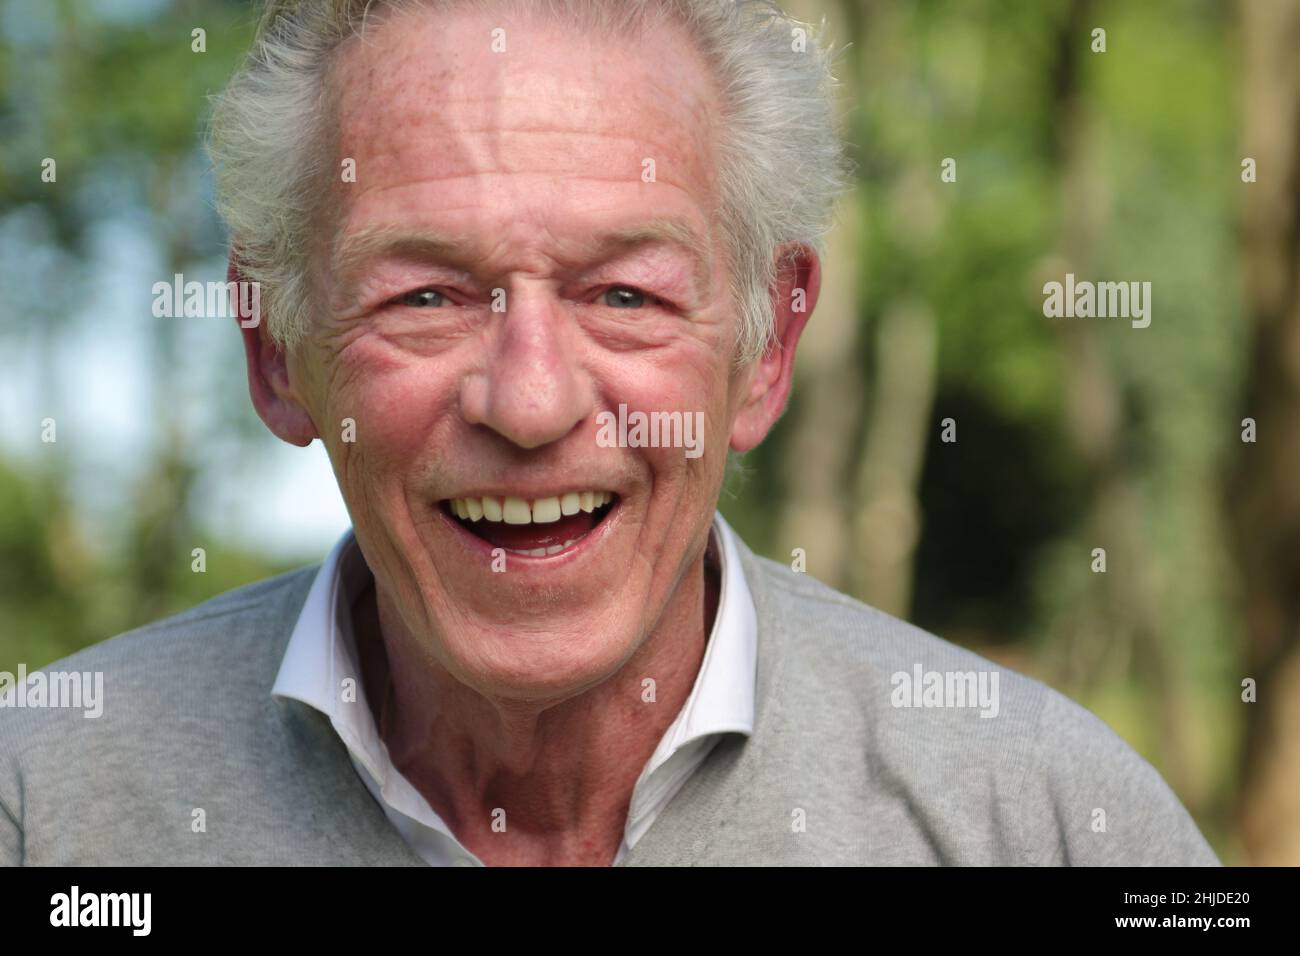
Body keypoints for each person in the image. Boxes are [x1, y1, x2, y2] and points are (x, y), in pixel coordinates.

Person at [0, 0, 1218, 866]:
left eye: (624, 294)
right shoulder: (43, 803)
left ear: (767, 348)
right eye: (423, 295)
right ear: (277, 352)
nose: (530, 403)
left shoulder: (1051, 819)